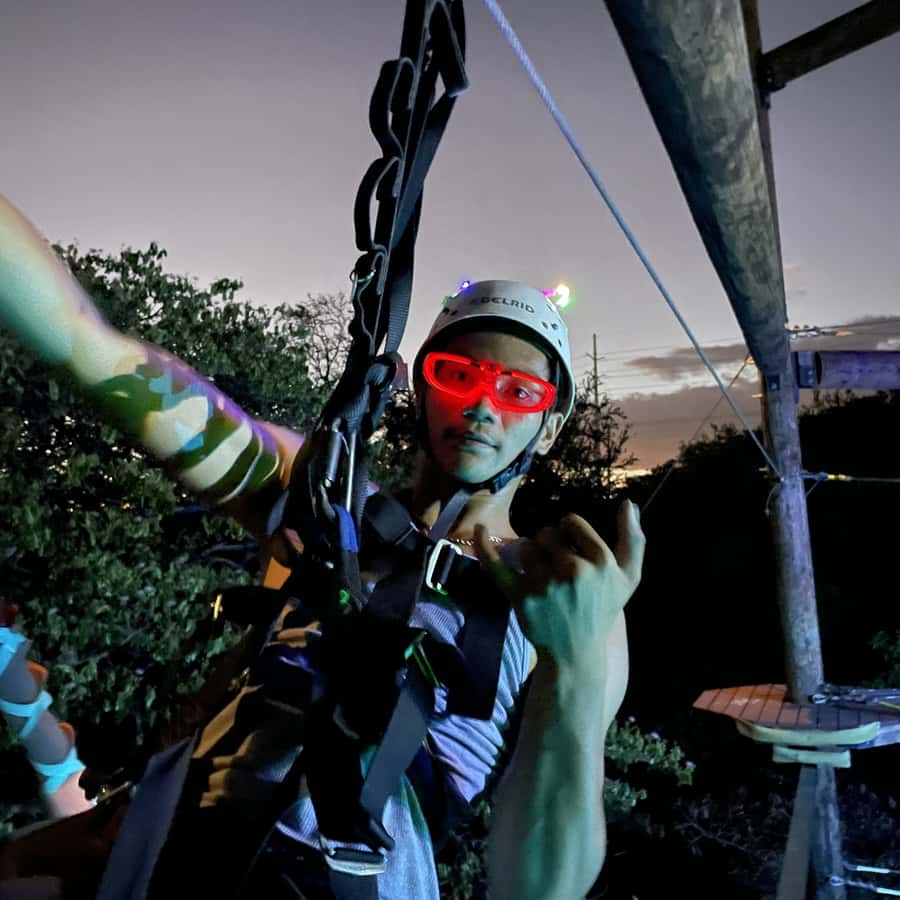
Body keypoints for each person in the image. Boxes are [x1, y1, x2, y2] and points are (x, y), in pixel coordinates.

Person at [0, 192, 644, 900]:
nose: (483, 405)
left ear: (550, 426)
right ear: (421, 389)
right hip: (168, 840)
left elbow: (540, 888)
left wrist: (577, 666)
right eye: (458, 376)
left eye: (519, 392)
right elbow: (90, 351)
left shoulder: (565, 596)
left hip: (346, 876)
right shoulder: (321, 493)